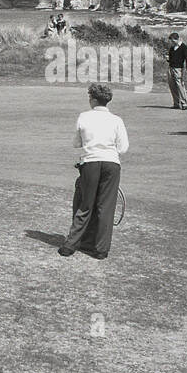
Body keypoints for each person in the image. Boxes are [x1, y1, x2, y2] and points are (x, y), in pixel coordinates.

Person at [60, 83, 128, 260]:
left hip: (90, 162)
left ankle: (70, 245)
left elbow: (76, 143)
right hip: (111, 164)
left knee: (85, 204)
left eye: (90, 97)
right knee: (105, 207)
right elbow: (123, 147)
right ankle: (101, 249)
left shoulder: (84, 117)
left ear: (94, 99)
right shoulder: (116, 120)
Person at [166, 32, 187, 109]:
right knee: (172, 86)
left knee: (179, 85)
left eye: (173, 41)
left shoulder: (183, 47)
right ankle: (176, 103)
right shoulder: (172, 48)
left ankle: (184, 103)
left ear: (177, 39)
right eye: (171, 41)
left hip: (179, 69)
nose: (172, 42)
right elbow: (170, 59)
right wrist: (168, 59)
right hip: (171, 68)